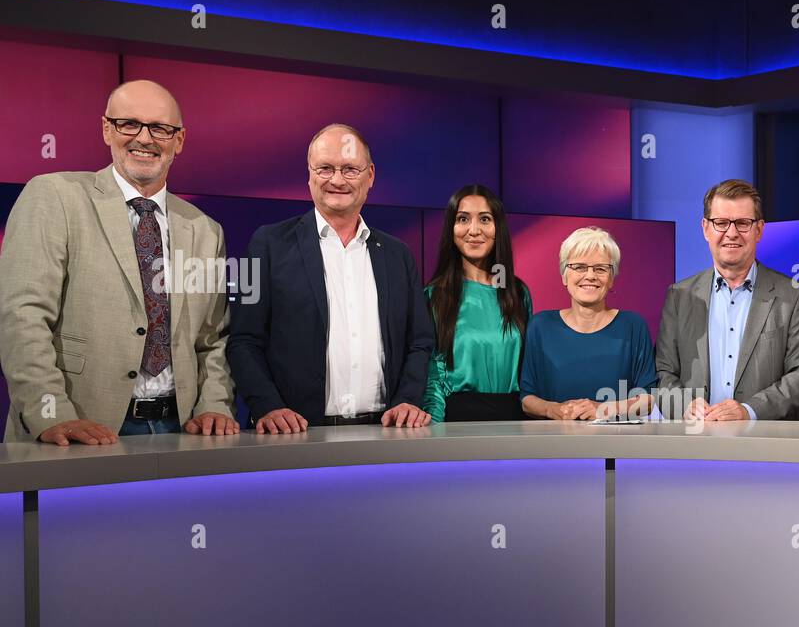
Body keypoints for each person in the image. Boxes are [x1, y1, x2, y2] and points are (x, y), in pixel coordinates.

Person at [0, 79, 237, 443]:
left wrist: (215, 405)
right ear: (107, 129)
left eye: (160, 128)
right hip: (76, 426)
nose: (144, 138)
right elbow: (22, 317)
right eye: (129, 124)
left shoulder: (205, 230)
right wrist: (51, 415)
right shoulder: (55, 196)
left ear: (180, 140)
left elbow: (212, 338)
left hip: (182, 431)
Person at [227, 123, 432, 431]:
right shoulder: (267, 244)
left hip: (386, 434)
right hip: (295, 437)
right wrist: (267, 406)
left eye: (350, 169)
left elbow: (420, 341)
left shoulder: (397, 254)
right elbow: (243, 340)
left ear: (370, 175)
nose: (337, 180)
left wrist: (409, 399)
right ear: (309, 174)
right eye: (325, 168)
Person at [655, 179, 799, 421]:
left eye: (743, 223)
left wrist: (749, 411)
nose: (731, 233)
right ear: (705, 228)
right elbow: (663, 373)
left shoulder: (794, 296)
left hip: (766, 446)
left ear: (759, 230)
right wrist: (683, 406)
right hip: (693, 446)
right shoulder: (679, 296)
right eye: (721, 223)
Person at [519, 227, 655, 420]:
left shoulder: (633, 326)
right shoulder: (540, 326)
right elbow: (526, 398)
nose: (590, 275)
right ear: (564, 275)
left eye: (600, 268)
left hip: (617, 446)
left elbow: (648, 399)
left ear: (612, 279)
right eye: (579, 267)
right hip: (553, 443)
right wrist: (554, 409)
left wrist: (602, 409)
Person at [423, 185, 531, 421]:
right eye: (463, 219)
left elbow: (529, 372)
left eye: (484, 219)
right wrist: (434, 434)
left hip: (514, 421)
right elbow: (433, 377)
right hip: (457, 423)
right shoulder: (434, 296)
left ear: (497, 228)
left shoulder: (517, 293)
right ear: (451, 229)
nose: (474, 230)